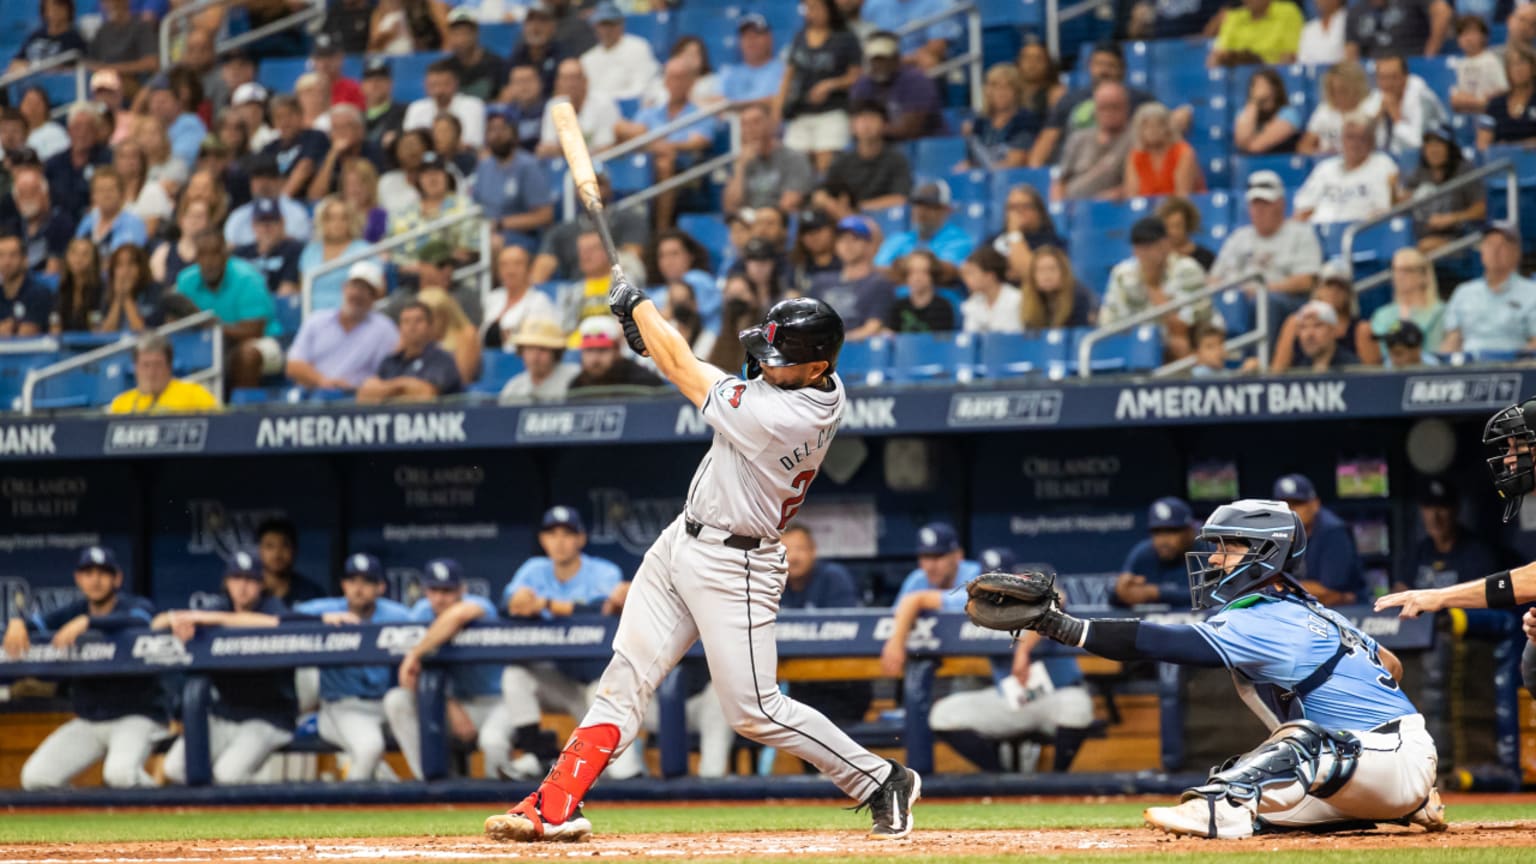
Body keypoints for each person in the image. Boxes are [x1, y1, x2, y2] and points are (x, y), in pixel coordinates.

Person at [484, 288, 922, 843]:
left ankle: (881, 779)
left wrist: (642, 310)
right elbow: (689, 363)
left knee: (753, 710)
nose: (766, 366)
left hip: (737, 565)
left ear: (818, 367)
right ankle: (553, 804)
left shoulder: (783, 416)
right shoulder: (809, 384)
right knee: (624, 677)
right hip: (682, 541)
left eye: (780, 360)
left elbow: (683, 368)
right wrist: (654, 338)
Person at [968, 500, 1443, 840]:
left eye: (1226, 548)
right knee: (1256, 783)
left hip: (1385, 758)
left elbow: (1160, 642)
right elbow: (1392, 664)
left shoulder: (1268, 616)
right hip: (1378, 764)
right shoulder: (1310, 608)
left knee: (1293, 748)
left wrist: (1060, 625)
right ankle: (1410, 802)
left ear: (1264, 553)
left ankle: (1220, 810)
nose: (1214, 558)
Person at [5, 547, 165, 790]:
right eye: (88, 573)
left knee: (120, 775)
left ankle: (166, 807)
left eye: (103, 573)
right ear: (78, 578)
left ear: (117, 579)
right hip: (90, 720)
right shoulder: (74, 611)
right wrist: (17, 623)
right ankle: (87, 814)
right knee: (36, 778)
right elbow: (37, 625)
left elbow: (143, 619)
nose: (95, 580)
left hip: (136, 716)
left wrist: (89, 622)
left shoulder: (132, 605)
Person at [497, 506, 637, 778]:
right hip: (561, 680)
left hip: (599, 681)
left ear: (581, 539)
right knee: (516, 675)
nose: (559, 541)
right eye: (552, 534)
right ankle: (537, 754)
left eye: (567, 534)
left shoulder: (602, 571)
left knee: (621, 773)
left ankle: (632, 773)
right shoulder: (534, 570)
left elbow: (602, 609)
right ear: (543, 539)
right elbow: (508, 604)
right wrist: (519, 602)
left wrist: (547, 605)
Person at [156, 550, 296, 786]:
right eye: (237, 579)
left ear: (262, 584)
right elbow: (157, 622)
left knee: (228, 774)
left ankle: (265, 807)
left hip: (269, 718)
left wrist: (210, 619)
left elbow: (274, 623)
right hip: (226, 714)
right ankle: (216, 810)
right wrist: (180, 621)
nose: (243, 587)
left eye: (250, 580)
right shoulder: (220, 605)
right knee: (175, 767)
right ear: (227, 582)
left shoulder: (272, 606)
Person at [384, 558, 523, 780]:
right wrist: (450, 705)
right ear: (425, 591)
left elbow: (458, 615)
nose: (440, 598)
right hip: (456, 703)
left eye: (447, 591)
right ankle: (430, 786)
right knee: (397, 700)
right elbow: (410, 679)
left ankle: (500, 797)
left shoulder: (479, 605)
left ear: (462, 590)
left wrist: (415, 653)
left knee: (492, 741)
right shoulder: (421, 613)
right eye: (434, 590)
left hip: (496, 702)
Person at [293, 555, 414, 782]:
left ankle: (435, 793)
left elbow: (426, 627)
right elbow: (284, 616)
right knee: (370, 747)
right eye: (352, 581)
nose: (358, 588)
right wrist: (322, 619)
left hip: (383, 705)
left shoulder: (396, 615)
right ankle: (350, 801)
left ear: (381, 587)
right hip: (341, 706)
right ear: (343, 585)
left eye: (367, 582)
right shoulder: (328, 608)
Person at [614, 57, 716, 229]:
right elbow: (624, 130)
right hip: (647, 161)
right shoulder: (651, 112)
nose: (676, 83)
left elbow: (698, 142)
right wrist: (657, 146)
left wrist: (663, 145)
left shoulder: (700, 114)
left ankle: (661, 228)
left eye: (681, 77)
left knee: (664, 162)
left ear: (691, 82)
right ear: (665, 82)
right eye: (671, 77)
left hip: (684, 167)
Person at [1209, 171, 1322, 323]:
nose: (1259, 210)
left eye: (1265, 204)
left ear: (1281, 204)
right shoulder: (1238, 237)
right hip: (1239, 301)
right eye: (1255, 204)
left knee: (1265, 302)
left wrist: (1262, 290)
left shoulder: (1300, 233)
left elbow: (1306, 281)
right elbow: (1214, 278)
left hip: (1283, 302)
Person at [176, 231, 283, 389]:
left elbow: (254, 330)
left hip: (262, 340)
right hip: (206, 345)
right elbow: (174, 323)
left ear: (225, 255)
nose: (209, 262)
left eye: (214, 254)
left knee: (247, 355)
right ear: (196, 258)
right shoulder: (186, 280)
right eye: (203, 255)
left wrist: (212, 326)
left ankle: (241, 403)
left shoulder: (247, 278)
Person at [1102, 217, 1214, 359]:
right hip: (1135, 346)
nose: (1143, 254)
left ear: (1166, 244)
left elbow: (1183, 326)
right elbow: (1110, 323)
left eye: (1149, 246)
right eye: (1138, 247)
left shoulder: (1187, 269)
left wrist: (1152, 286)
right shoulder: (1122, 274)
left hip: (1191, 341)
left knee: (1179, 342)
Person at [1030, 42, 1154, 169]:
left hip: (1124, 168)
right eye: (1099, 64)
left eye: (1111, 65)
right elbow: (1048, 138)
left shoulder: (1141, 101)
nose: (1104, 71)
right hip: (1077, 167)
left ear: (1123, 69)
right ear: (1089, 67)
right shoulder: (1070, 101)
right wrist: (1035, 172)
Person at [777, 0, 864, 172]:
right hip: (800, 110)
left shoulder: (846, 37)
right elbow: (788, 76)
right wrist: (779, 108)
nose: (811, 13)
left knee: (826, 165)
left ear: (829, 8)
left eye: (816, 7)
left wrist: (831, 84)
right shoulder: (800, 37)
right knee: (796, 165)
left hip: (832, 110)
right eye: (808, 8)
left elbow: (856, 76)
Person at [285, 261, 400, 392]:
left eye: (366, 290)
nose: (357, 294)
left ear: (374, 297)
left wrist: (355, 388)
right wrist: (322, 381)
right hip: (313, 394)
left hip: (356, 397)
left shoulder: (385, 329)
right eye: (354, 287)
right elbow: (293, 366)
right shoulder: (316, 321)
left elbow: (388, 374)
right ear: (344, 288)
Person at [1440, 223, 1536, 354]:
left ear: (1516, 252)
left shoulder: (1532, 292)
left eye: (1502, 246)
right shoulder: (1464, 292)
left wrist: (1516, 360)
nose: (1495, 251)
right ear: (1481, 252)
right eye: (1489, 245)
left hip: (1516, 362)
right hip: (1470, 363)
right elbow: (1452, 339)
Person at [1272, 473, 1366, 605]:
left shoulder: (1332, 531)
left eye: (1298, 504)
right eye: (1284, 505)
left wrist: (1275, 586)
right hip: (1301, 608)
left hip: (1351, 611)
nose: (1290, 511)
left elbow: (1328, 593)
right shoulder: (1274, 532)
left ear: (1315, 504)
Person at [475, 108, 554, 254]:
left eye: (502, 129)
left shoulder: (528, 165)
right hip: (485, 233)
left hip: (522, 237)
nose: (497, 135)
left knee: (492, 244)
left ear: (514, 133)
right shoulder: (484, 166)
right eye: (491, 130)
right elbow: (476, 207)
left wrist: (501, 224)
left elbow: (545, 215)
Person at [808, 216, 896, 342]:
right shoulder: (820, 282)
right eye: (841, 239)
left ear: (869, 245)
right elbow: (809, 325)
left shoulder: (879, 283)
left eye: (854, 239)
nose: (847, 244)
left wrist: (832, 343)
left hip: (857, 350)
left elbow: (872, 328)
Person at [358, 300, 465, 403]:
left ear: (431, 327)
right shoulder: (390, 361)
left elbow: (427, 394)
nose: (412, 326)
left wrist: (388, 390)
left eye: (418, 321)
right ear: (399, 328)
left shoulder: (442, 360)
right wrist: (403, 387)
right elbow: (365, 394)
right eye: (406, 321)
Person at [1294, 119, 1398, 223]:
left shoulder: (1382, 164)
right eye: (1350, 137)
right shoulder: (1325, 167)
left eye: (1362, 138)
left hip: (1361, 227)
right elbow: (1303, 209)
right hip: (1321, 227)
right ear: (1341, 140)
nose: (1355, 143)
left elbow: (1385, 210)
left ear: (1371, 141)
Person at [1401, 124, 1483, 253]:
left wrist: (1451, 218)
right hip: (1419, 236)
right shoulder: (1419, 173)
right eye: (1429, 145)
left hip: (1458, 238)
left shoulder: (1464, 170)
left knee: (1422, 248)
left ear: (1450, 148)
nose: (1433, 150)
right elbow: (1401, 207)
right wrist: (1394, 193)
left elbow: (1481, 209)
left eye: (1438, 145)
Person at [847, 31, 943, 142]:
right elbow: (856, 121)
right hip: (882, 145)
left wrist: (874, 129)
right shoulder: (864, 83)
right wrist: (867, 128)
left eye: (884, 59)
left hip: (926, 143)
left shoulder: (917, 80)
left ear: (896, 59)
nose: (879, 64)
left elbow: (911, 130)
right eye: (875, 59)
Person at [722, 104, 816, 214]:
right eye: (744, 124)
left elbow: (789, 203)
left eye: (756, 122)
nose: (750, 129)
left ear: (771, 124)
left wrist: (758, 217)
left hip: (776, 219)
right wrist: (740, 167)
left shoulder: (794, 158)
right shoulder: (743, 161)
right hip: (748, 219)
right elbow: (730, 207)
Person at [1051, 82, 1134, 202]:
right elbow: (1059, 182)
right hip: (1074, 205)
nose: (1108, 112)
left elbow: (1136, 186)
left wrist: (1102, 199)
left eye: (1114, 107)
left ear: (1126, 108)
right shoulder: (1078, 139)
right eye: (1103, 107)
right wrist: (1059, 207)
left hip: (1113, 206)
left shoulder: (1135, 139)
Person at [824, 101, 912, 212]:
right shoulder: (841, 161)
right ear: (852, 126)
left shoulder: (897, 160)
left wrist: (858, 208)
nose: (866, 124)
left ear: (885, 125)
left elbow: (900, 198)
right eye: (861, 119)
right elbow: (824, 194)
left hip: (882, 217)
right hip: (844, 216)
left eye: (872, 118)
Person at [107, 333, 218, 414]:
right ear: (135, 367)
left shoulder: (194, 394)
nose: (151, 372)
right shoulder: (121, 404)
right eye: (146, 365)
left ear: (169, 366)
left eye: (157, 364)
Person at [874, 181, 975, 269]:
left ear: (945, 210)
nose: (921, 211)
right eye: (917, 205)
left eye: (929, 206)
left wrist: (898, 267)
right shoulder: (898, 239)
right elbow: (877, 268)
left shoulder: (959, 240)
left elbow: (941, 272)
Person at [535, 60, 620, 159]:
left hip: (599, 163)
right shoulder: (553, 105)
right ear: (558, 83)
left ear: (585, 80)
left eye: (574, 78)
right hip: (563, 164)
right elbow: (546, 147)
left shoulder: (603, 103)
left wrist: (562, 150)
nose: (570, 84)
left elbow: (605, 147)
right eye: (565, 79)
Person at [302, 196, 374, 312]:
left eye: (343, 218)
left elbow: (377, 290)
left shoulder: (363, 250)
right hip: (312, 316)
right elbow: (302, 288)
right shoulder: (310, 251)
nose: (337, 223)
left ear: (351, 221)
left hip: (351, 316)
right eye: (331, 218)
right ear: (322, 221)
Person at [578, 2, 659, 104]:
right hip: (598, 109)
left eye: (611, 24)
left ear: (621, 24)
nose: (606, 30)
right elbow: (587, 94)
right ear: (595, 27)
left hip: (630, 105)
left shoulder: (638, 47)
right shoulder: (587, 58)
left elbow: (642, 86)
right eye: (602, 25)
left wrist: (609, 99)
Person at [43, 103, 111, 223]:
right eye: (77, 127)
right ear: (69, 131)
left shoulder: (108, 159)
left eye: (88, 128)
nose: (82, 133)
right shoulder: (53, 164)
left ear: (96, 132)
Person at [224, 156, 311, 248]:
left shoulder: (296, 212)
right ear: (250, 182)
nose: (263, 183)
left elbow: (303, 245)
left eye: (269, 177)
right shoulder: (238, 216)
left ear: (280, 181)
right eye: (257, 177)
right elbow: (230, 248)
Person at [1369, 247, 1444, 354]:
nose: (1399, 276)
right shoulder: (1382, 314)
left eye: (1406, 270)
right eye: (1395, 270)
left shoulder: (1439, 312)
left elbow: (1436, 352)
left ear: (1423, 275)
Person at [482, 246, 558, 351]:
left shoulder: (539, 301)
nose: (510, 271)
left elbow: (546, 341)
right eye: (504, 265)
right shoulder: (492, 298)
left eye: (517, 264)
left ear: (529, 269)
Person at [962, 63, 1037, 169]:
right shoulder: (980, 122)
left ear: (1017, 92)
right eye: (995, 87)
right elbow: (972, 161)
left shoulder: (1025, 120)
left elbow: (1016, 161)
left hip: (1012, 176)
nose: (1001, 93)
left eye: (1007, 87)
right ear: (987, 91)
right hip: (985, 174)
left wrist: (981, 171)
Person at [1125, 102, 1205, 198]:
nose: (1153, 130)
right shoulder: (1136, 156)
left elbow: (1183, 196)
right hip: (1148, 207)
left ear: (1168, 127)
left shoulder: (1183, 152)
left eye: (1159, 125)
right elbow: (1132, 198)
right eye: (1146, 126)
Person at [1373, 54, 1448, 155]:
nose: (1388, 83)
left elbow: (1418, 145)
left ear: (1406, 77)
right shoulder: (1379, 95)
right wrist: (1376, 121)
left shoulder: (1421, 96)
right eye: (1382, 78)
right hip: (1389, 157)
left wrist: (1397, 118)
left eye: (1393, 77)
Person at [2, 164, 71, 274]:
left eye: (33, 191)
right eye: (22, 193)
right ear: (16, 201)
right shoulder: (11, 227)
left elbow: (52, 272)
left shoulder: (60, 223)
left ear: (46, 194)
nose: (27, 197)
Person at [1298, 62, 1378, 155]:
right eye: (1333, 91)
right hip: (1330, 160)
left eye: (1343, 90)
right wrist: (1322, 153)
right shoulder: (1324, 110)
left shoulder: (1370, 104)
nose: (1338, 96)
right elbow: (1304, 147)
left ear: (1356, 88)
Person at [404, 60, 487, 150]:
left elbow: (472, 144)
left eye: (445, 84)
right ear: (425, 85)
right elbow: (409, 143)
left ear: (456, 83)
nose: (439, 91)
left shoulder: (473, 105)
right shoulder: (416, 108)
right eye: (433, 85)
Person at [261, 95, 329, 202]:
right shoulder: (269, 149)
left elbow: (305, 168)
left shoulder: (314, 137)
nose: (285, 122)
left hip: (304, 201)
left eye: (289, 115)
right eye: (279, 117)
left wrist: (281, 202)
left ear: (300, 115)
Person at [991, 184, 1061, 286]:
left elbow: (1031, 273)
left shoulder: (1049, 241)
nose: (1019, 212)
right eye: (1013, 207)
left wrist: (1014, 232)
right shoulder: (992, 240)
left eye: (1025, 206)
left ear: (1038, 211)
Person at [568, 315, 664, 390]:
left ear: (617, 350)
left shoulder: (643, 383)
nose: (595, 359)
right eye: (589, 350)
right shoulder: (577, 386)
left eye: (602, 350)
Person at [232, 199, 304, 296]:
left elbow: (287, 291)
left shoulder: (293, 250)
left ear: (282, 223)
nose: (267, 228)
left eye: (272, 222)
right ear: (253, 225)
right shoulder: (240, 253)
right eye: (261, 222)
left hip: (277, 303)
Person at [499, 317, 579, 402]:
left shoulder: (576, 378)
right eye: (530, 348)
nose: (535, 356)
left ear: (555, 353)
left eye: (543, 349)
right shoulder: (513, 388)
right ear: (521, 352)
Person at [1020, 244, 1096, 330]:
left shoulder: (1079, 297)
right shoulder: (1029, 299)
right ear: (1032, 275)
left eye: (1052, 269)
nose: (1047, 276)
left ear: (1064, 272)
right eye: (1040, 270)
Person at [75, 168, 147, 258]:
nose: (106, 195)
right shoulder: (87, 221)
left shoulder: (133, 223)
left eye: (111, 190)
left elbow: (127, 259)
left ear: (121, 194)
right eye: (100, 190)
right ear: (93, 196)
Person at [1345, 0, 1452, 60]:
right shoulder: (1356, 11)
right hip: (1375, 70)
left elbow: (1443, 12)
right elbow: (1351, 49)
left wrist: (1430, 55)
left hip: (1413, 63)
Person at [1476, 45, 1536, 150]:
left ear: (1533, 68)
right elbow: (1482, 145)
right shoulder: (1495, 104)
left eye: (1522, 62)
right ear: (1507, 70)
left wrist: (1512, 147)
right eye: (1513, 64)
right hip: (1501, 159)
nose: (1518, 69)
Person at [1209, 0, 1304, 66]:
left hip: (1274, 76)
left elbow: (1290, 56)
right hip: (1237, 75)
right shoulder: (1233, 17)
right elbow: (1218, 54)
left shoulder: (1288, 12)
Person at [441, 9, 508, 101]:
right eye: (456, 34)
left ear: (476, 34)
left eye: (465, 33)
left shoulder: (496, 63)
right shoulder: (445, 67)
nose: (461, 39)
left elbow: (505, 95)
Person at [256, 518, 325, 606]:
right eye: (270, 546)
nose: (277, 553)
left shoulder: (312, 593)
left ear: (295, 550)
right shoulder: (248, 592)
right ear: (259, 550)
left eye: (285, 545)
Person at [886, 250, 956, 333]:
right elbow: (893, 335)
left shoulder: (942, 307)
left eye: (924, 272)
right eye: (912, 272)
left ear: (933, 275)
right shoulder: (898, 307)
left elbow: (943, 338)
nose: (917, 277)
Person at [719, 14, 785, 105]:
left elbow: (781, 101)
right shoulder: (729, 73)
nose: (751, 40)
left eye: (757, 34)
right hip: (731, 114)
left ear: (769, 38)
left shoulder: (784, 71)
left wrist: (736, 104)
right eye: (745, 35)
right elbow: (714, 102)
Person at [959, 244, 1024, 335]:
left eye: (971, 273)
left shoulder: (1017, 299)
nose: (966, 279)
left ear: (990, 275)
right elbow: (970, 336)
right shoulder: (972, 303)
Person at [1234, 70, 1303, 156]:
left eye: (1261, 85)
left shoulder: (1289, 114)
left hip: (1278, 161)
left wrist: (1255, 100)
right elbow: (1241, 142)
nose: (1256, 90)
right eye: (1254, 86)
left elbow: (1257, 147)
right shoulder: (1246, 112)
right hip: (1250, 162)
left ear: (1274, 89)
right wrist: (1254, 102)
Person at [1449, 16, 1507, 116]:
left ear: (1484, 37)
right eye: (1463, 34)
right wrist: (1474, 101)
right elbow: (1456, 98)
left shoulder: (1491, 61)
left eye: (1472, 33)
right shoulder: (1461, 64)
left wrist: (1484, 101)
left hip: (1489, 114)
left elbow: (1502, 90)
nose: (1468, 38)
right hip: (1467, 115)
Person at [98, 244, 162, 333]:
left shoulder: (155, 291)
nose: (126, 270)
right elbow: (105, 334)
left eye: (131, 264)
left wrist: (127, 297)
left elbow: (143, 333)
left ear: (141, 267)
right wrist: (118, 298)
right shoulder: (107, 292)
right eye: (119, 265)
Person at [8, 0, 84, 73]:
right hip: (29, 78)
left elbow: (76, 68)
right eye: (50, 7)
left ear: (68, 9)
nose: (54, 11)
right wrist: (31, 67)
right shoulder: (36, 36)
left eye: (58, 6)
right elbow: (15, 63)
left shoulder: (74, 39)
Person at [0, 233, 52, 337]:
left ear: (25, 260)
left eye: (13, 255)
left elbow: (26, 334)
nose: (6, 262)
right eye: (1, 255)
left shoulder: (38, 293)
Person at [510, 3, 566, 96]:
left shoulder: (562, 55)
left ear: (553, 26)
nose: (535, 27)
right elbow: (506, 90)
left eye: (542, 21)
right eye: (530, 21)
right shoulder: (517, 55)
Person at [51, 237, 100, 333]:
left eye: (85, 254)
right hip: (64, 341)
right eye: (74, 253)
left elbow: (97, 328)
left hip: (92, 340)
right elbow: (55, 322)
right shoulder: (61, 288)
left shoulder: (100, 289)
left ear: (94, 259)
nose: (78, 259)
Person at [360, 59, 407, 155]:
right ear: (362, 85)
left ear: (390, 83)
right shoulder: (355, 116)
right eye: (370, 80)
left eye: (380, 79)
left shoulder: (405, 112)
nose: (375, 84)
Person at [1157, 196, 1216, 272]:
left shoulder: (1206, 258)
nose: (1172, 232)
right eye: (1168, 226)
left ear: (1188, 225)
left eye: (1178, 226)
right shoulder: (1159, 259)